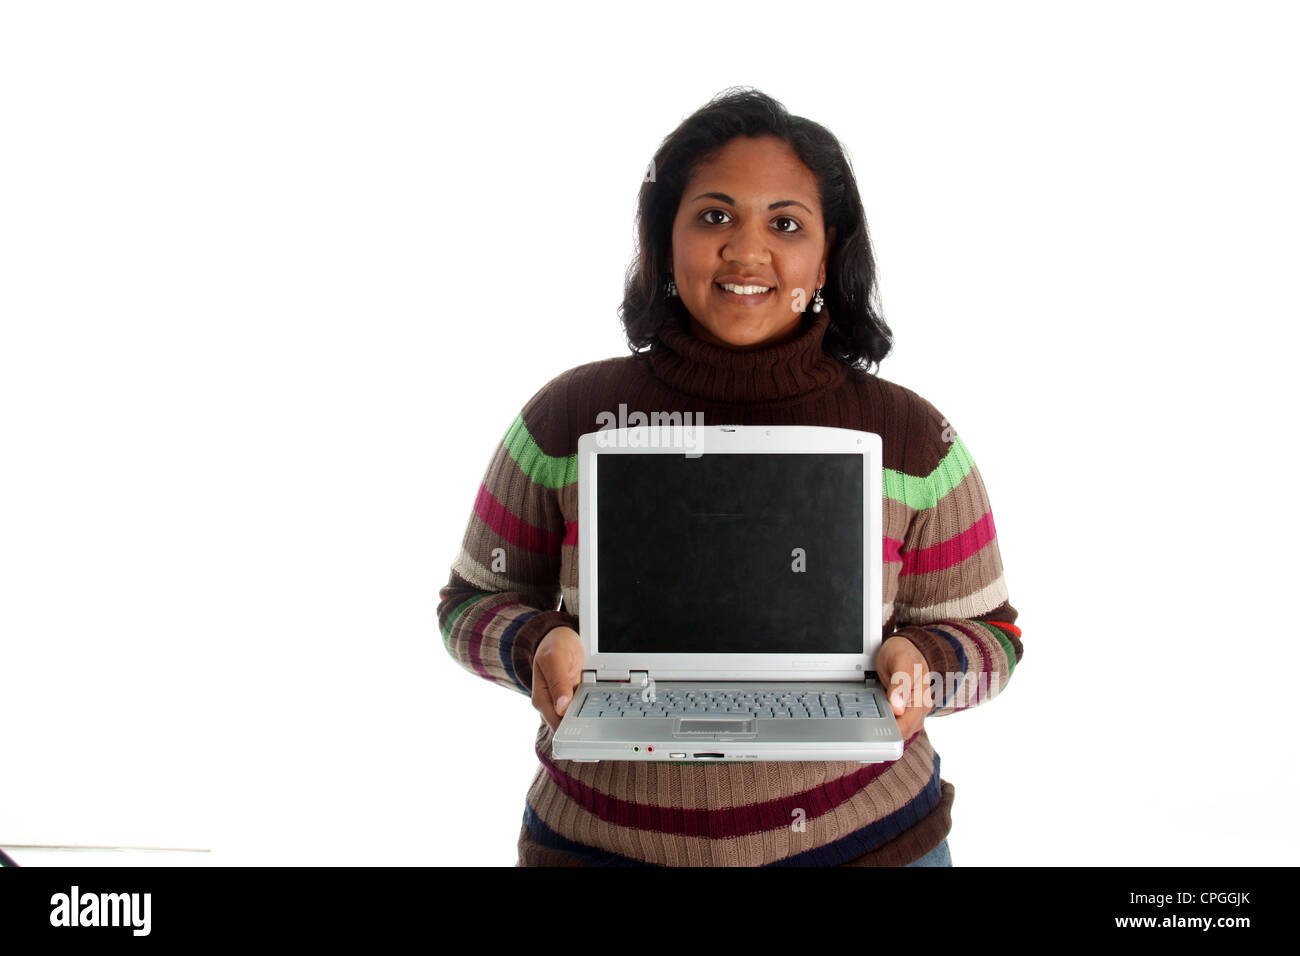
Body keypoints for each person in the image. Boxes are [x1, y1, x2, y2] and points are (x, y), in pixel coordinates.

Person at [438, 87, 1022, 867]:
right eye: (714, 216)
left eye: (786, 223)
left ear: (827, 250)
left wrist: (921, 667)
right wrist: (536, 644)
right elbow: (471, 604)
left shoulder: (911, 437)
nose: (748, 252)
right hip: (598, 849)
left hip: (865, 847)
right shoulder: (567, 416)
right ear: (664, 238)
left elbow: (995, 638)